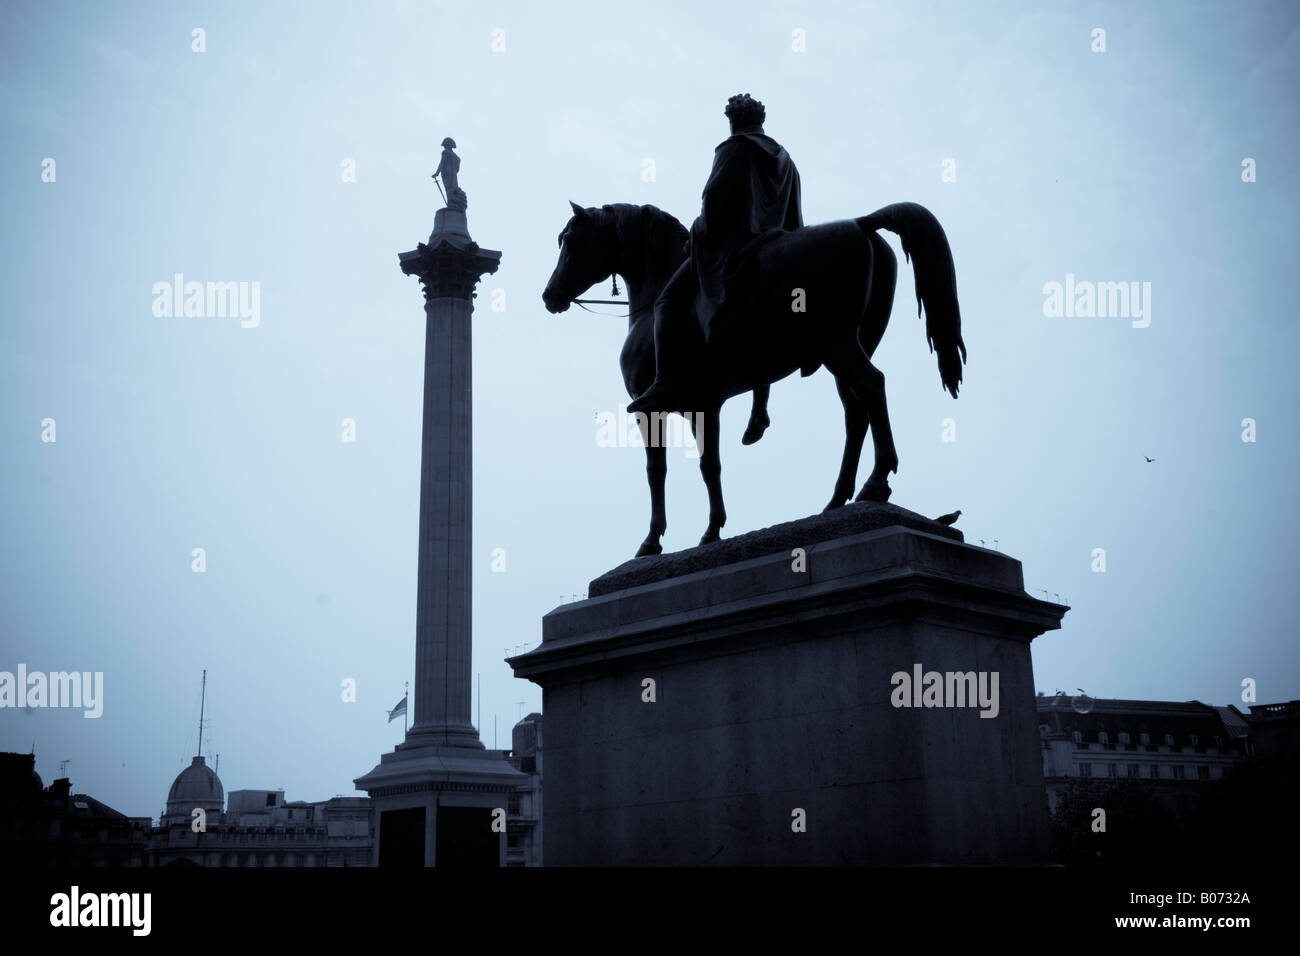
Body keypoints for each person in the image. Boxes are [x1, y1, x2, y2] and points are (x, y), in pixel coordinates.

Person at [627, 94, 803, 445]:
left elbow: (714, 203)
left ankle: (663, 381)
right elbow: (795, 213)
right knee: (764, 323)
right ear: (760, 120)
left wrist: (697, 231)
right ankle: (760, 408)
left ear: (734, 120)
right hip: (775, 245)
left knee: (664, 304)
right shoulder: (786, 159)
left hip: (733, 249)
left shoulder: (733, 148)